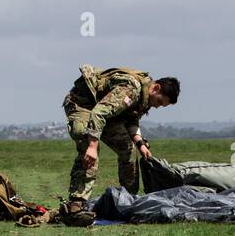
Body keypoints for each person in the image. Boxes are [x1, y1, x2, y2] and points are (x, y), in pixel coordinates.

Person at [62, 66, 180, 201]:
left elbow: (131, 119)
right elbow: (99, 113)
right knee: (88, 147)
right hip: (82, 104)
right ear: (156, 88)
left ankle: (129, 199)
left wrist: (140, 143)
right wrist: (93, 146)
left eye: (161, 105)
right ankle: (77, 203)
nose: (156, 106)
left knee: (129, 150)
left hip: (103, 114)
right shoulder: (130, 90)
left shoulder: (145, 96)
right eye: (159, 102)